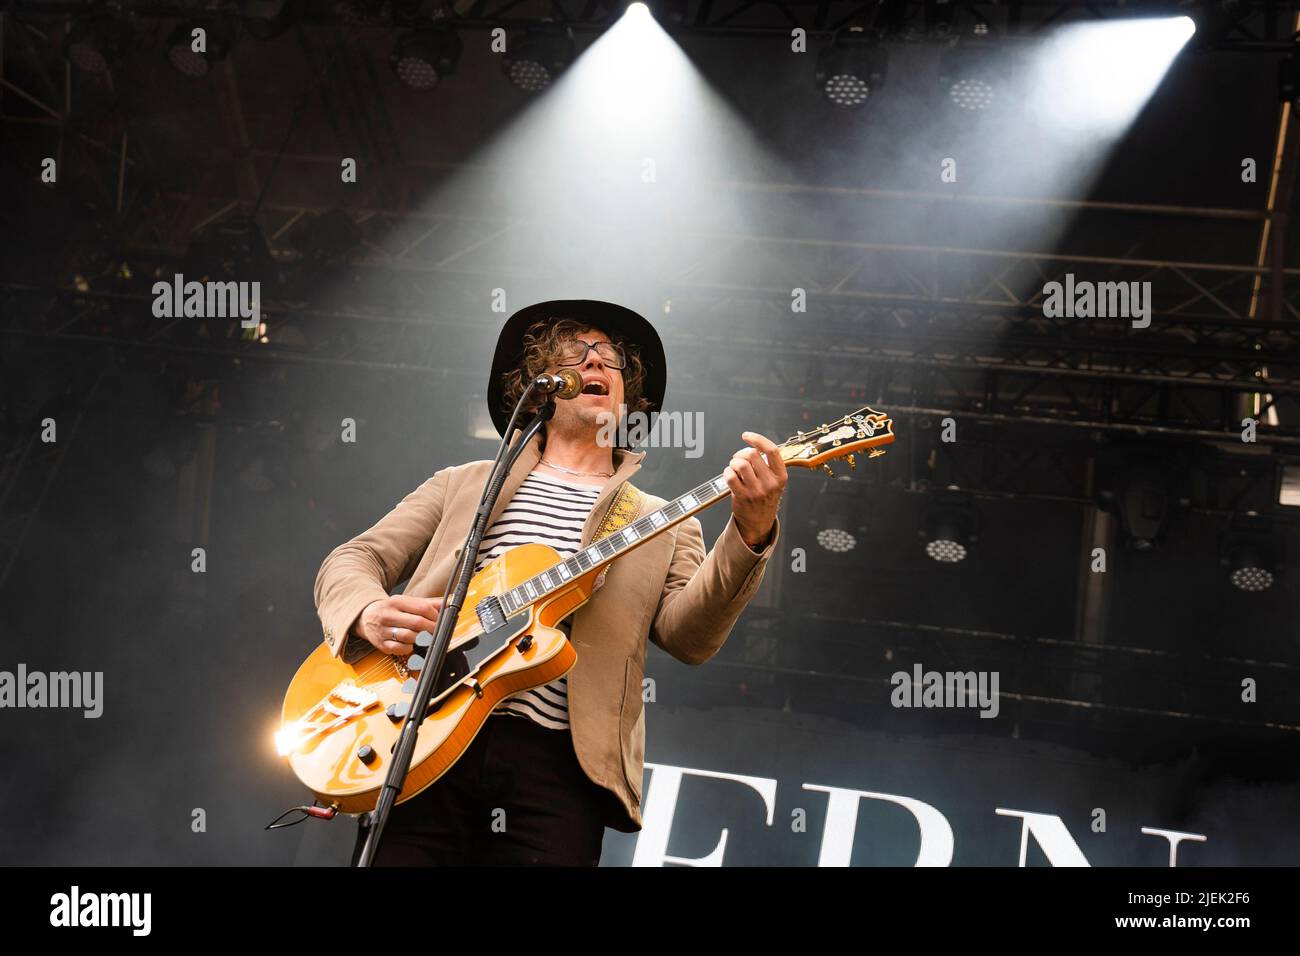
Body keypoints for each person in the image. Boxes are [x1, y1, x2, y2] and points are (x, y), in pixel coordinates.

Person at [313, 299, 786, 865]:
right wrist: (365, 611)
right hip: (422, 735)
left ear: (628, 397)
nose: (595, 366)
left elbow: (689, 639)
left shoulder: (661, 519)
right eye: (573, 355)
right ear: (536, 388)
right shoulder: (463, 484)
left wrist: (749, 531)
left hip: (559, 766)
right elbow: (354, 557)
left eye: (610, 360)